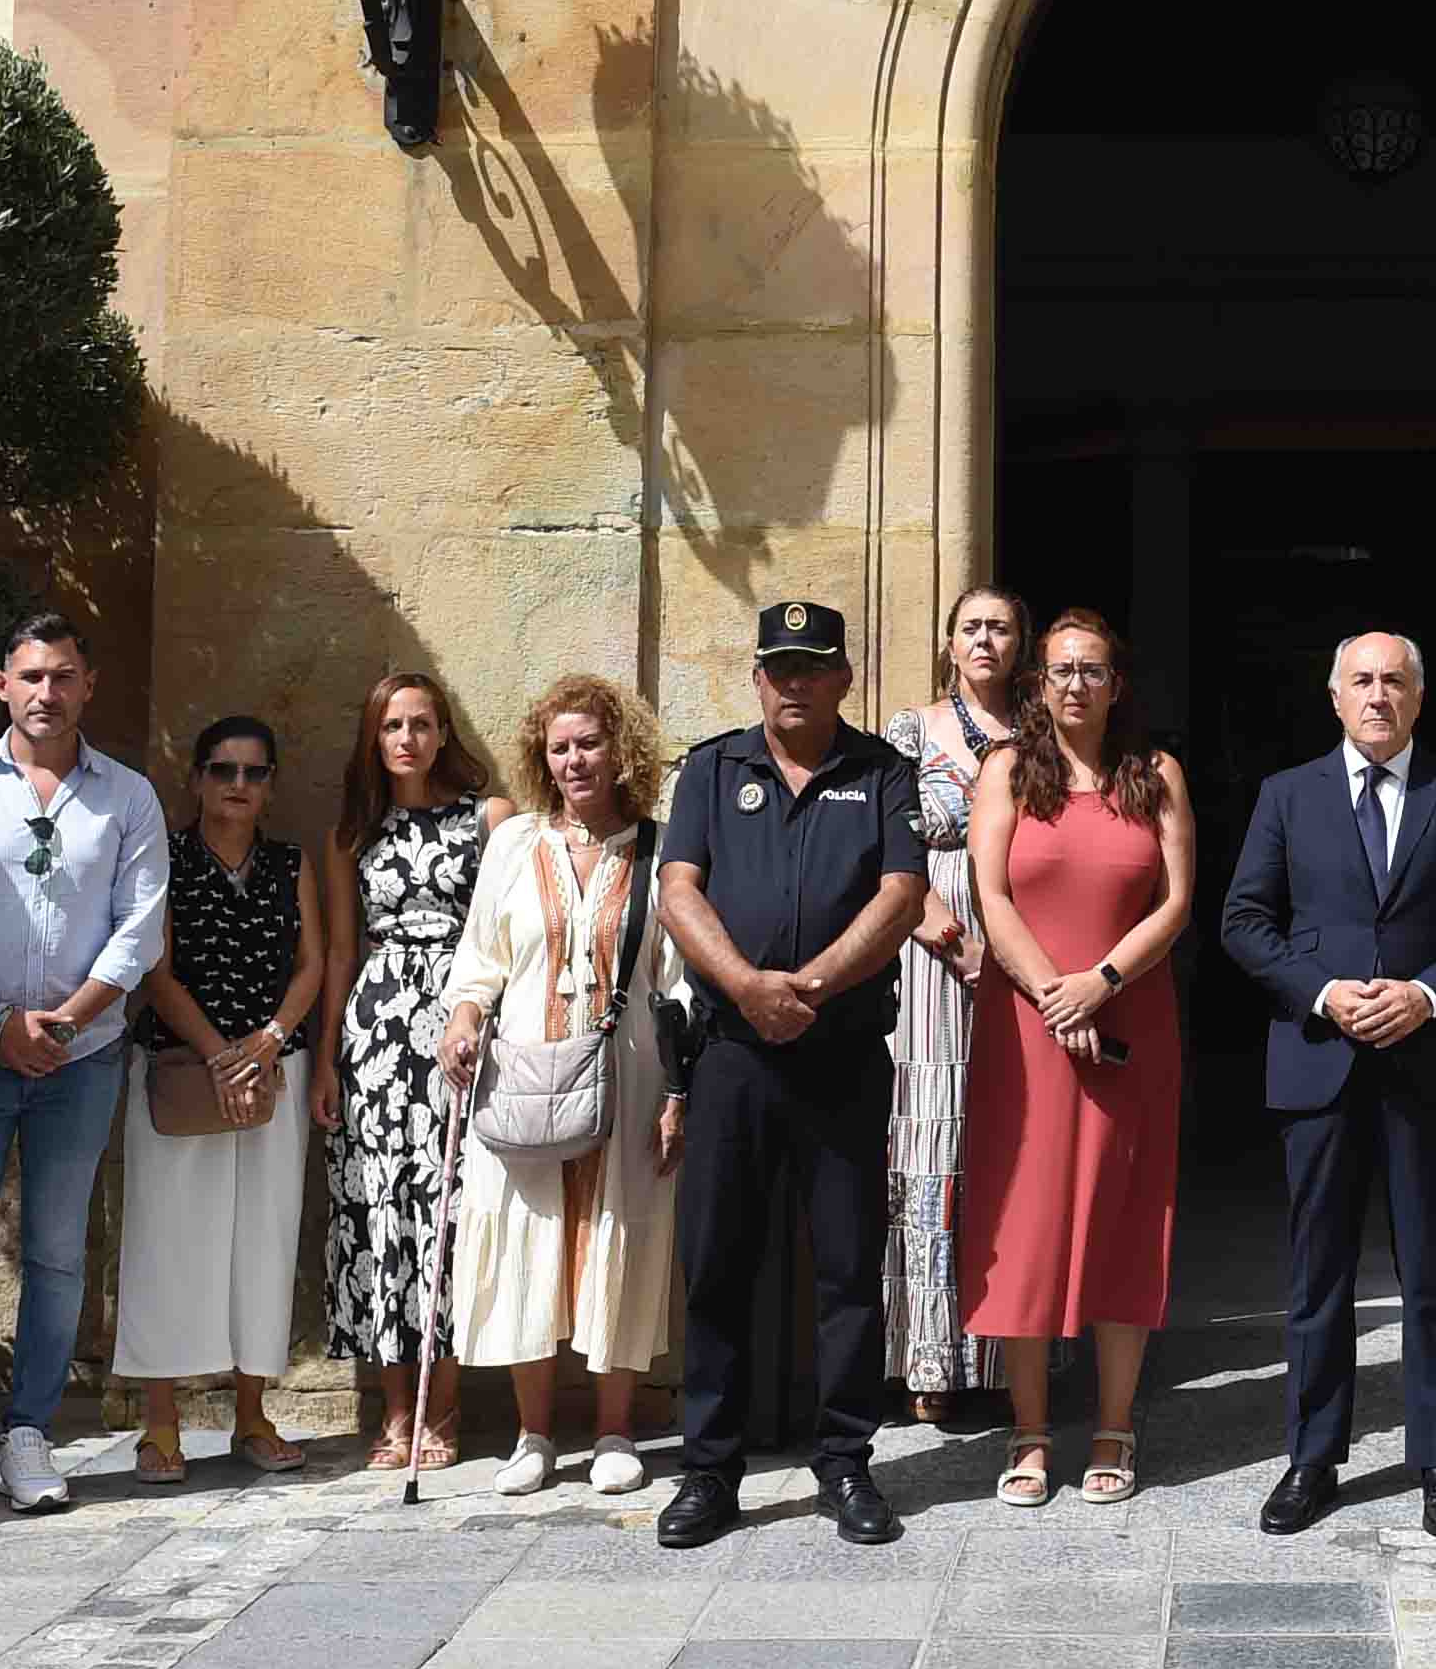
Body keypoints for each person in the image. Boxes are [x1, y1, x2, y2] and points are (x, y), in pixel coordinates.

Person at [1223, 630, 1436, 1540]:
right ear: (1334, 696)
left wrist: (1427, 995)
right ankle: (1312, 1459)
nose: (1378, 696)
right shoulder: (1287, 796)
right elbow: (1244, 919)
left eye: (1394, 681)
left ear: (1418, 698)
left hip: (1427, 1066)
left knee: (1431, 1273)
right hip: (1319, 1061)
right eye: (1361, 681)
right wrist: (1321, 992)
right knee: (1317, 1276)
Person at [653, 600, 930, 1549]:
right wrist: (744, 986)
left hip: (842, 1052)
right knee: (718, 1263)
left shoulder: (883, 772)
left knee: (849, 1267)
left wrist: (807, 986)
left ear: (844, 677)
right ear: (757, 676)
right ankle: (707, 1471)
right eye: (779, 666)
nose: (795, 682)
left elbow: (902, 895)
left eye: (813, 666)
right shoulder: (711, 767)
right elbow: (678, 888)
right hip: (732, 1054)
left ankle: (846, 1465)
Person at [0, 613, 171, 1524]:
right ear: (1, 685)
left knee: (56, 1255)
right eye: (30, 677)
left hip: (82, 1061)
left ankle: (28, 1434)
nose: (46, 693)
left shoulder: (126, 797)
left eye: (63, 677)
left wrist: (63, 1023)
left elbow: (139, 930)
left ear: (89, 685)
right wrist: (0, 1020)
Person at [958, 610, 1193, 1506]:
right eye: (1058, 670)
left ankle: (1114, 1424)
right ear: (1037, 684)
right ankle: (1026, 1430)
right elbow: (991, 893)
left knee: (1124, 1214)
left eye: (1091, 670)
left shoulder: (1157, 774)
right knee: (1025, 1221)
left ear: (1116, 683)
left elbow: (1174, 903)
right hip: (1026, 1026)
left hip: (1129, 1015)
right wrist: (1057, 997)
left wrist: (1100, 980)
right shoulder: (1007, 771)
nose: (1073, 685)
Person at [439, 677, 681, 1497]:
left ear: (622, 752)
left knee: (623, 1231)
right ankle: (533, 1435)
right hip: (524, 1074)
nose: (575, 760)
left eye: (589, 743)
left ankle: (614, 1429)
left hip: (632, 1075)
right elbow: (481, 958)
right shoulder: (516, 844)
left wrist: (681, 1090)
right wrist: (463, 1017)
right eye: (559, 747)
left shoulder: (658, 847)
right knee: (525, 1237)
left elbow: (677, 982)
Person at [314, 670, 513, 1473]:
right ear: (374, 738)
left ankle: (444, 1404)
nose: (407, 740)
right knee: (379, 1219)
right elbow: (337, 952)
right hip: (375, 1035)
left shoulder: (489, 819)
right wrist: (328, 1058)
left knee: (449, 1217)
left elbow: (503, 937)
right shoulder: (350, 835)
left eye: (422, 724)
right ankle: (396, 1409)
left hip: (458, 1028)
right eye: (393, 726)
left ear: (444, 732)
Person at [116, 712, 322, 1481]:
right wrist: (219, 1056)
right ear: (197, 778)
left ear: (270, 786)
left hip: (276, 1067)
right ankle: (160, 1421)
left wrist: (266, 1042)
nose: (239, 786)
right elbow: (155, 970)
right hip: (180, 1068)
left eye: (255, 773)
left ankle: (252, 1414)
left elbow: (315, 961)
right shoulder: (162, 858)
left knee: (262, 1243)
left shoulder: (289, 861)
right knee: (168, 1240)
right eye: (224, 770)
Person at [880, 586, 1027, 1424]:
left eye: (1000, 628)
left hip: (1021, 950)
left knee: (1008, 1145)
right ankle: (928, 1358)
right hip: (934, 954)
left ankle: (1008, 1354)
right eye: (970, 627)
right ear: (948, 643)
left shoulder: (1042, 732)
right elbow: (891, 844)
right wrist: (953, 940)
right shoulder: (912, 732)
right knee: (930, 1145)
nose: (984, 640)